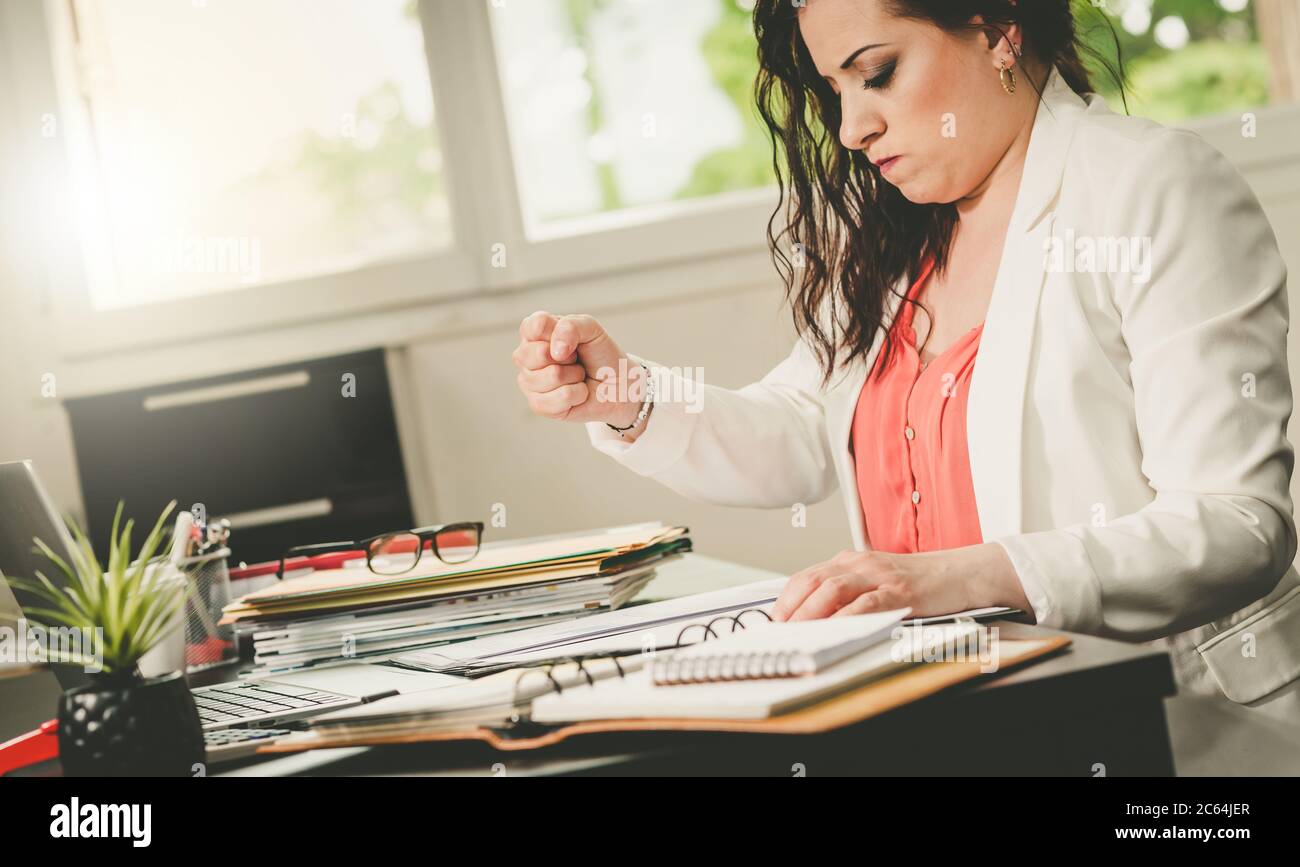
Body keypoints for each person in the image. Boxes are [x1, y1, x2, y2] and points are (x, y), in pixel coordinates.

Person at [511, 0, 1300, 769]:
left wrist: (962, 576)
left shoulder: (1150, 185)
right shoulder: (900, 236)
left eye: (877, 73)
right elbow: (800, 431)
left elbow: (1237, 525)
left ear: (999, 30)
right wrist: (627, 396)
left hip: (1169, 734)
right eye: (836, 91)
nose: (852, 128)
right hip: (957, 720)